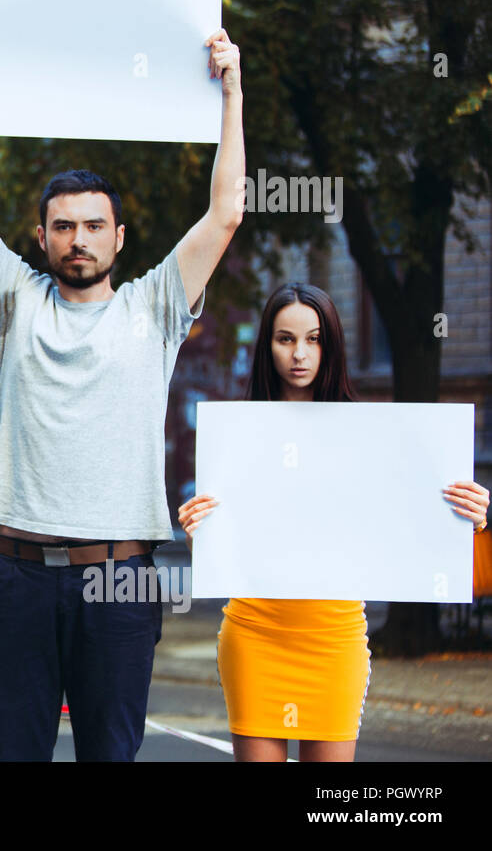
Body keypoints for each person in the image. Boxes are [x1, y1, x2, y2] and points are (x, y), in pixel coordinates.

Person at [0, 9, 246, 761]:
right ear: (41, 237)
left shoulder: (156, 305)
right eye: (63, 226)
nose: (79, 239)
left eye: (94, 226)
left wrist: (232, 92)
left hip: (123, 577)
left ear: (119, 237)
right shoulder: (16, 298)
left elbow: (227, 210)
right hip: (18, 575)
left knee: (110, 753)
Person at [178, 282, 489, 762]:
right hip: (255, 635)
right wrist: (199, 532)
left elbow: (406, 522)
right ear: (268, 345)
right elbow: (222, 557)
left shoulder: (368, 434)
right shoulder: (235, 436)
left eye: (314, 338)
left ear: (331, 345)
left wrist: (468, 518)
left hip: (335, 637)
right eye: (285, 339)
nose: (299, 353)